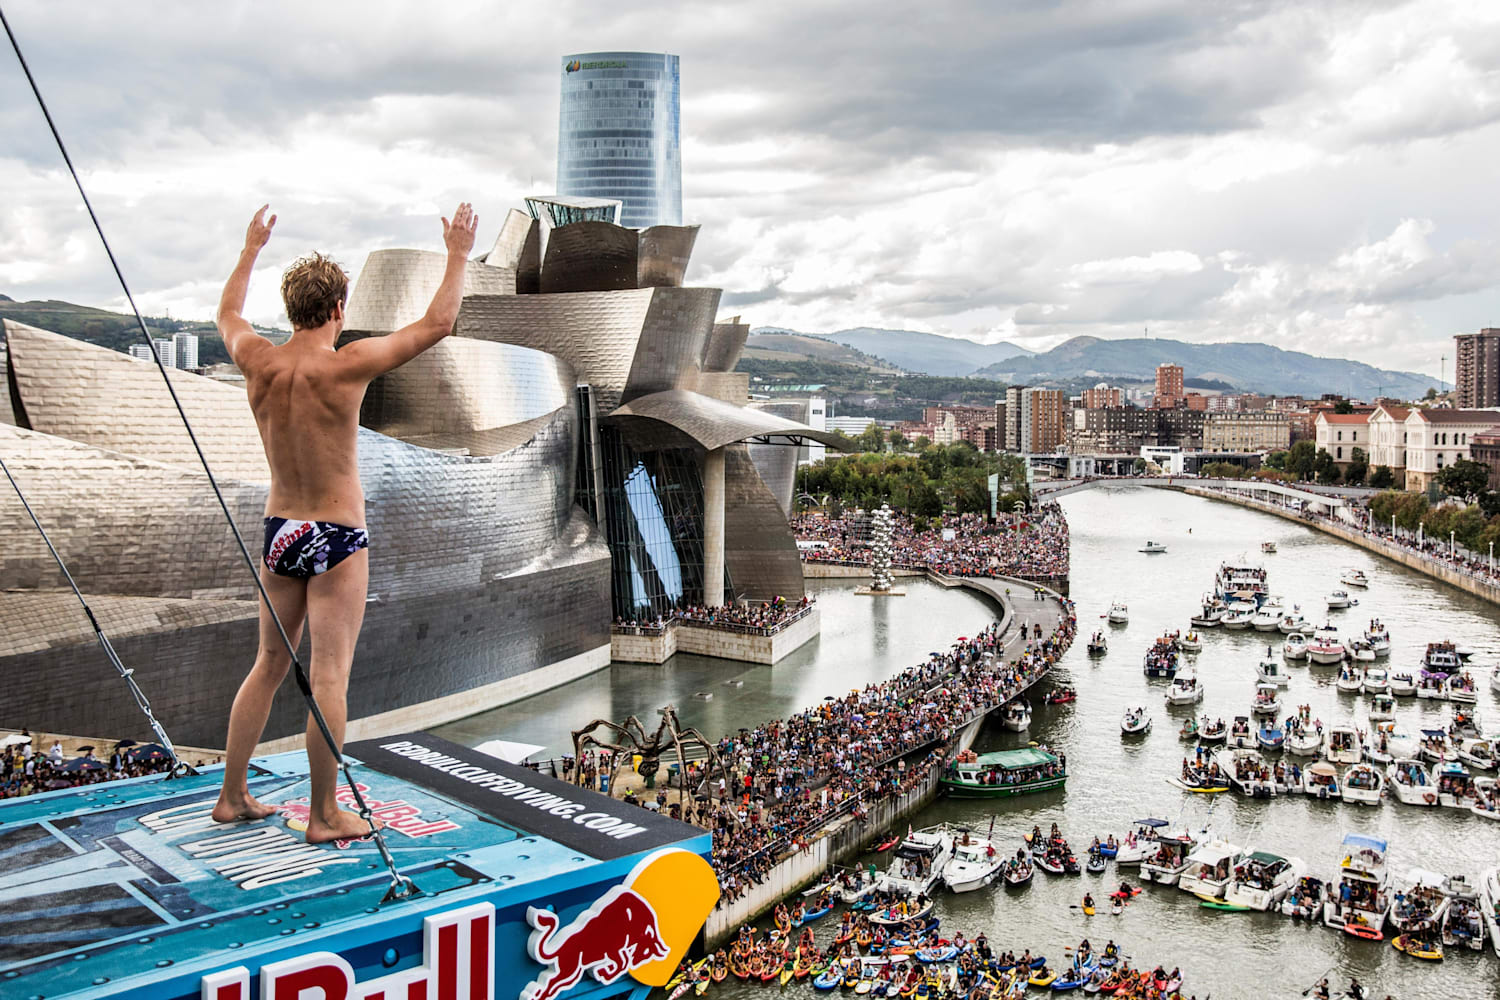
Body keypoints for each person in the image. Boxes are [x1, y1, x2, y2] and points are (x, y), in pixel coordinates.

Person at [211, 202, 479, 842]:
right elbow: (438, 322)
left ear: (291, 307)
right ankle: (325, 813)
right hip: (335, 536)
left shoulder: (259, 361)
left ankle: (232, 795)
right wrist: (459, 253)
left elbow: (226, 316)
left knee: (268, 665)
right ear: (339, 309)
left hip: (281, 531)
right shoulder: (347, 364)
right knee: (328, 675)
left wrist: (249, 249)